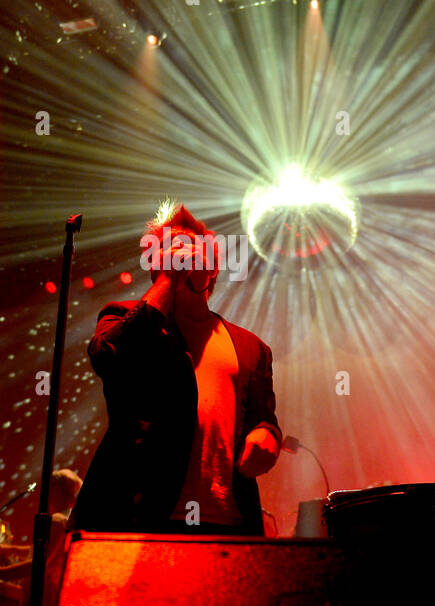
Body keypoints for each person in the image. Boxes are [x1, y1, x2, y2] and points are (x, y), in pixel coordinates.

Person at [71, 203, 282, 535]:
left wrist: (266, 437)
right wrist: (170, 278)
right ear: (154, 266)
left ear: (212, 269)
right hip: (142, 519)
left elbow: (264, 420)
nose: (182, 256)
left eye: (191, 251)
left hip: (229, 522)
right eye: (169, 251)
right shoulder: (124, 319)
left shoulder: (252, 347)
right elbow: (109, 358)